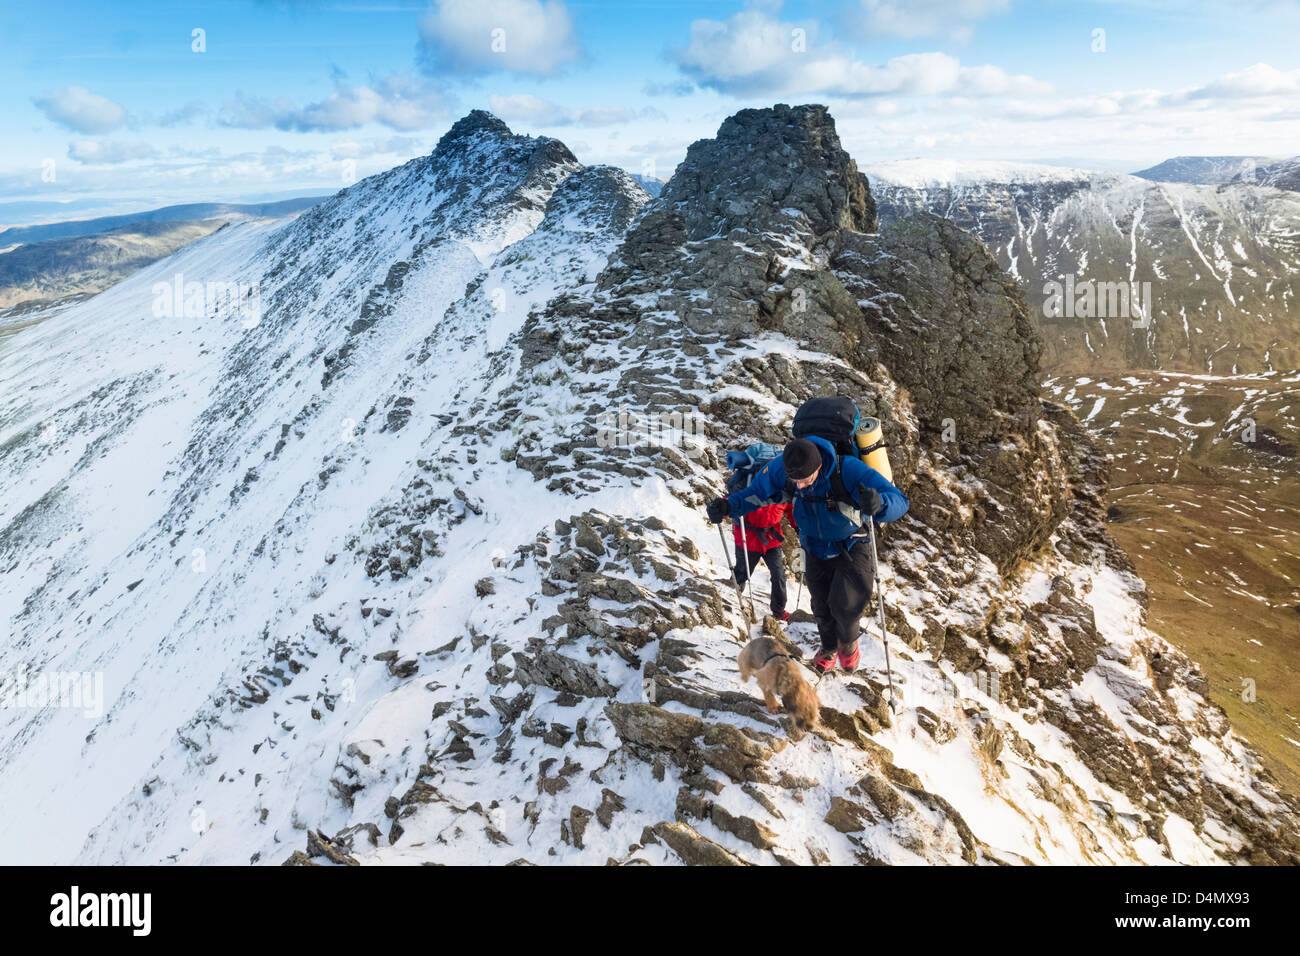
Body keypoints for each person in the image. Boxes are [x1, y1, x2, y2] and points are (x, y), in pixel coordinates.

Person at [707, 436, 908, 674]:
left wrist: (880, 503)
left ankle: (848, 644)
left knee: (845, 603)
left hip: (852, 542)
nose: (799, 486)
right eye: (795, 481)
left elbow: (899, 500)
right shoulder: (781, 468)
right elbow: (756, 494)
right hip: (814, 545)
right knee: (821, 607)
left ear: (819, 466)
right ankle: (829, 649)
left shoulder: (849, 470)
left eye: (805, 480)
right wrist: (728, 506)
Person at [731, 500, 796, 621]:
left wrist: (799, 526)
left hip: (771, 540)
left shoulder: (780, 490)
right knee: (741, 573)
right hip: (748, 540)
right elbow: (731, 500)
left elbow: (792, 509)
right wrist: (721, 508)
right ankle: (732, 600)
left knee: (779, 575)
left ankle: (779, 611)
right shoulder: (746, 484)